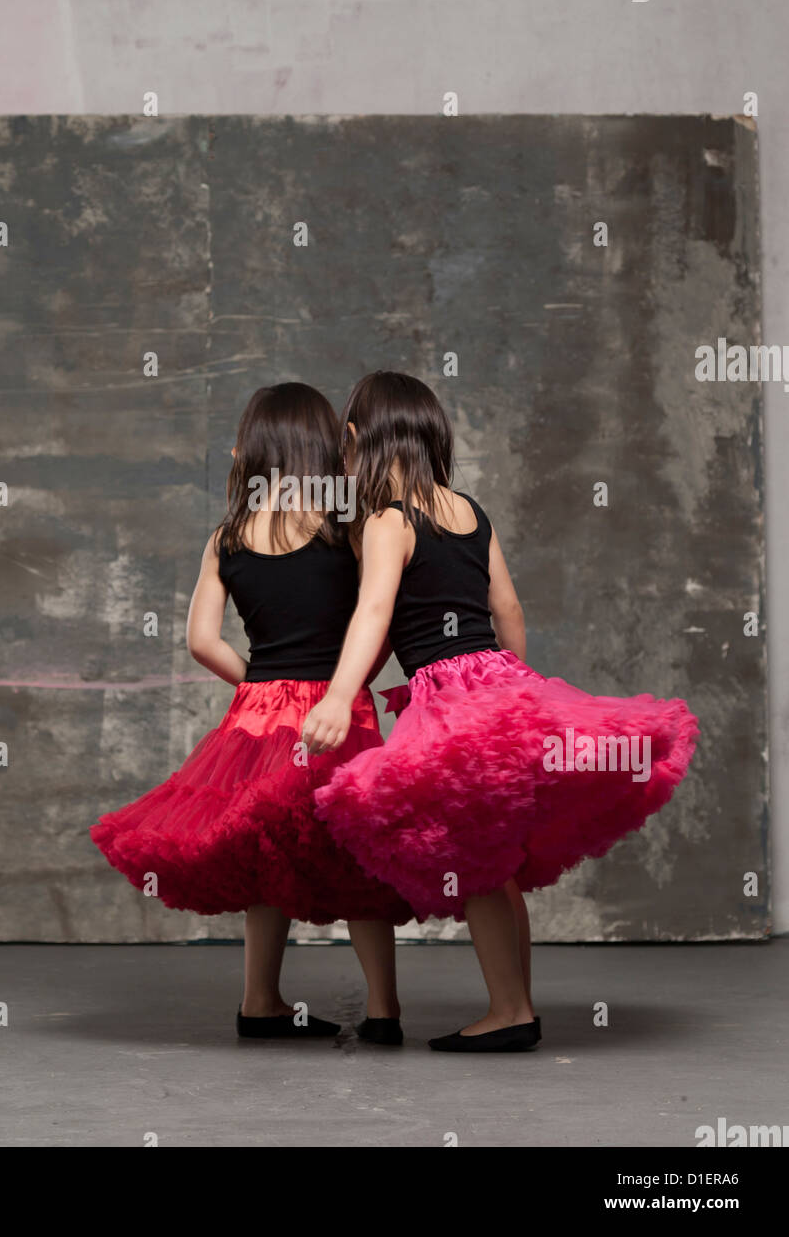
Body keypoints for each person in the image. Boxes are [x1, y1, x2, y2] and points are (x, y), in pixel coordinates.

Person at [304, 371, 699, 1052]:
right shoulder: (470, 511)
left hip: (447, 697)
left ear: (358, 439)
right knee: (496, 863)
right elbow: (507, 608)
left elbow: (373, 612)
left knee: (477, 863)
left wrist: (340, 695)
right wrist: (516, 693)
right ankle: (518, 1003)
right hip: (498, 679)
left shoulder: (387, 521)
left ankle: (510, 1012)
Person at [91, 382, 412, 1043]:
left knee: (267, 849)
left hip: (257, 719)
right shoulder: (349, 526)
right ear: (323, 447)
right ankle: (384, 1011)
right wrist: (347, 685)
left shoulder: (227, 536)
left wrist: (260, 685)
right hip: (337, 710)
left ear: (254, 449)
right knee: (357, 855)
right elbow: (378, 614)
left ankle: (259, 1002)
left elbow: (201, 641)